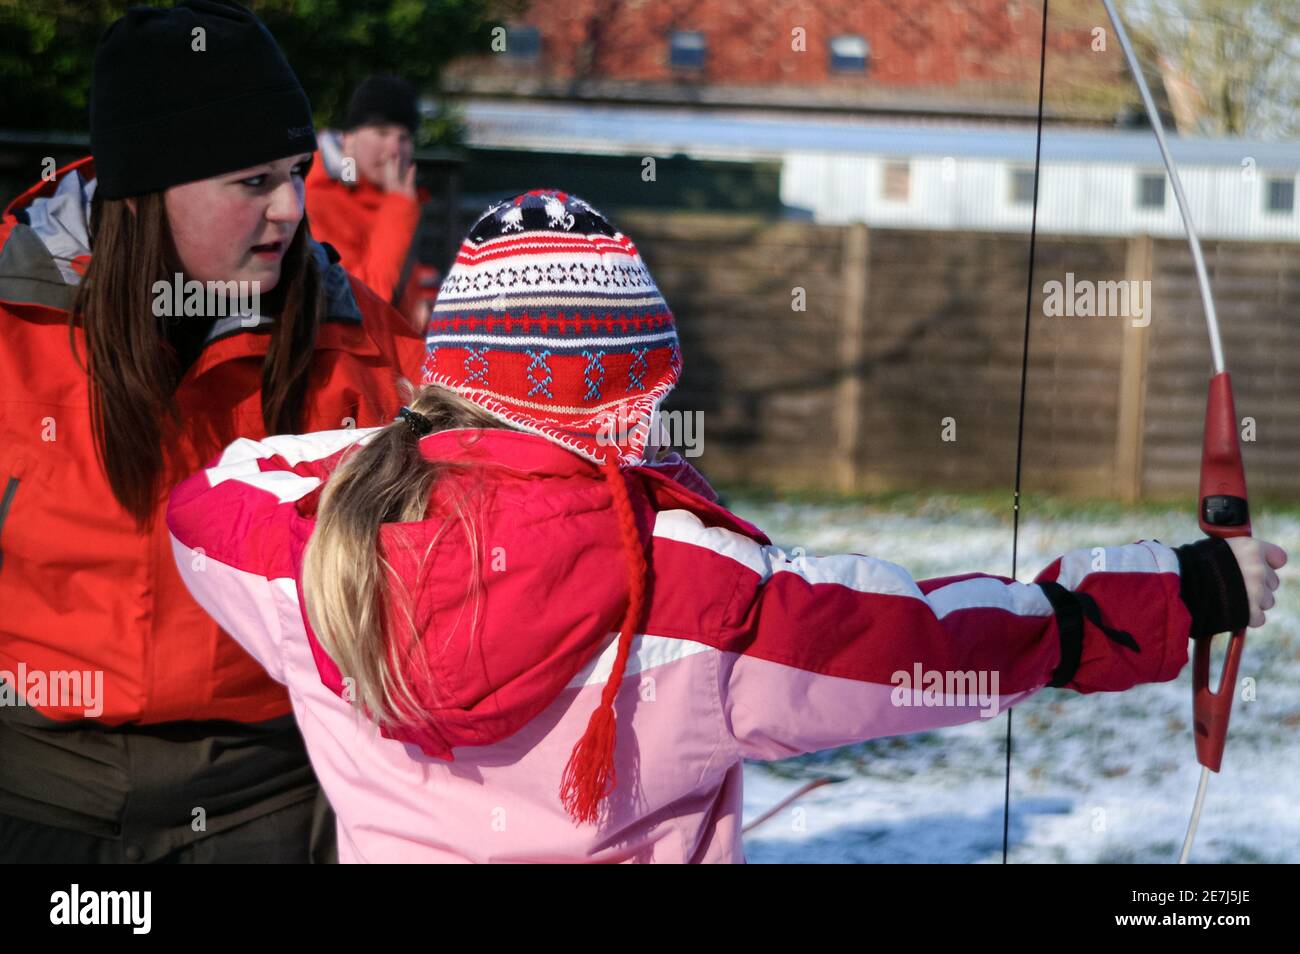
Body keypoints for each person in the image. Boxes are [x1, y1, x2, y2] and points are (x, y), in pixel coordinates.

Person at [166, 189, 1286, 863]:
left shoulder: (308, 544)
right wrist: (1174, 594)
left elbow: (207, 500)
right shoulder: (694, 590)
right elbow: (924, 641)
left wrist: (384, 444)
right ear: (626, 397)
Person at [0, 0, 424, 863]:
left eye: (297, 172)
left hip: (268, 795)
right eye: (253, 181)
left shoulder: (360, 339)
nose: (291, 210)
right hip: (35, 787)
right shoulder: (13, 328)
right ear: (149, 189)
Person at [305, 75, 429, 332]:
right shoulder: (317, 201)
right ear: (349, 139)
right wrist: (399, 208)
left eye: (404, 137)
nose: (395, 148)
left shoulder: (394, 198)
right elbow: (364, 300)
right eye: (381, 132)